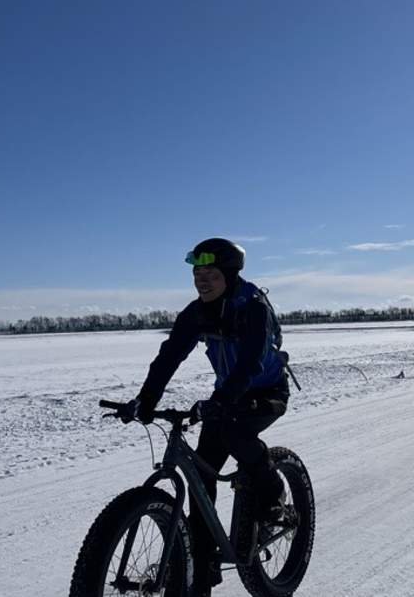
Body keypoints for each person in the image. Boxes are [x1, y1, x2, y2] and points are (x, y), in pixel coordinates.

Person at [115, 237, 290, 595]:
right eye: (197, 274)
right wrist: (145, 400)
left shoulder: (252, 307)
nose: (201, 280)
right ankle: (203, 567)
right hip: (226, 395)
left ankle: (273, 494)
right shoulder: (196, 313)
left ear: (229, 274)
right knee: (202, 471)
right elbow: (169, 356)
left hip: (266, 391)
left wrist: (222, 400)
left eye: (210, 273)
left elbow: (251, 362)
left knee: (235, 434)